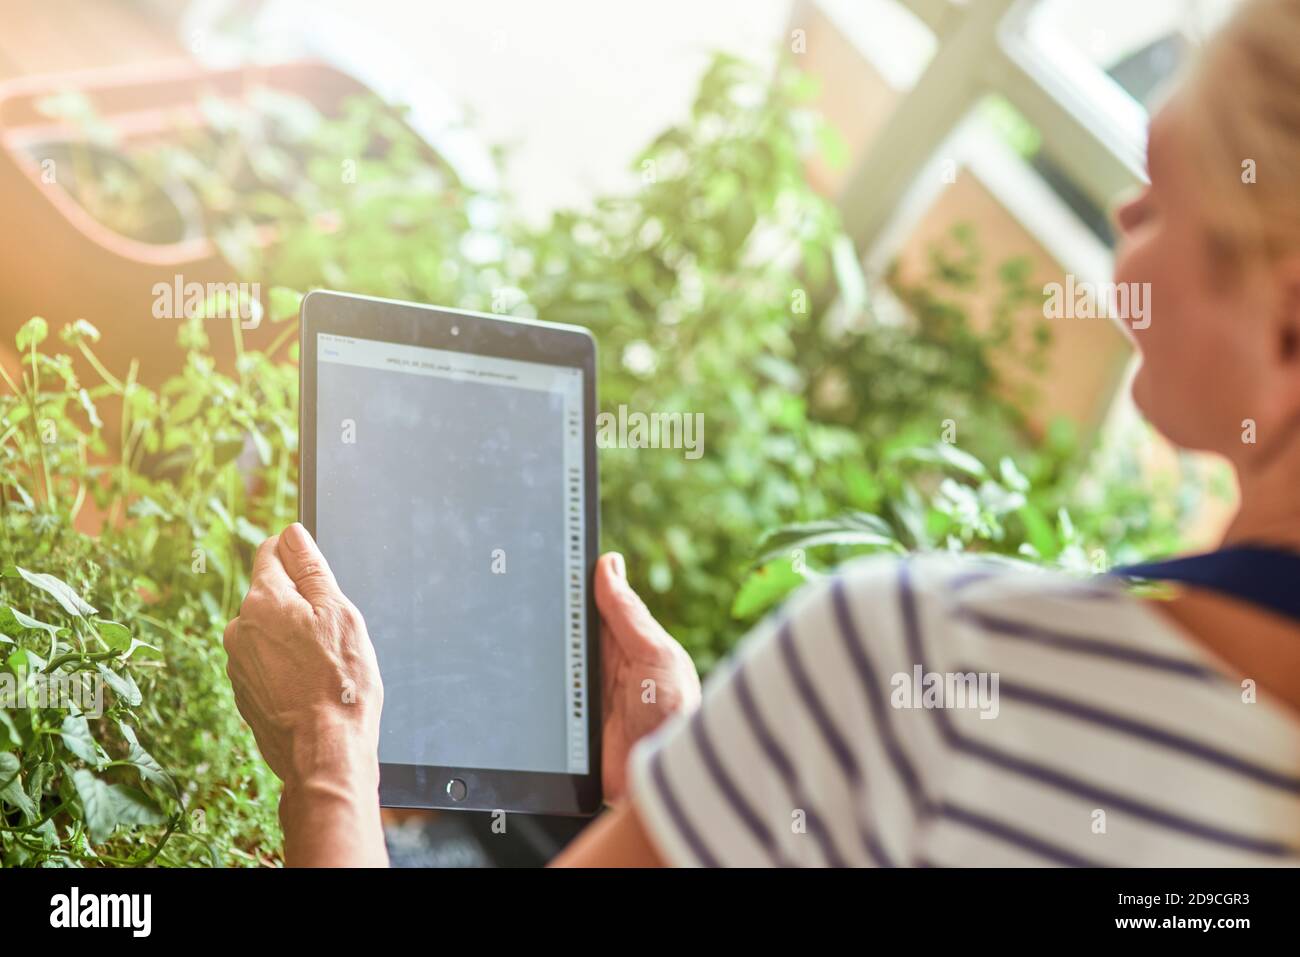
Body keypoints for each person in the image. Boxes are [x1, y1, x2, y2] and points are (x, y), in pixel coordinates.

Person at [223, 0, 1300, 867]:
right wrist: (709, 793)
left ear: (1289, 321)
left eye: (1159, 189)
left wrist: (329, 760)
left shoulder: (925, 670)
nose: (1119, 216)